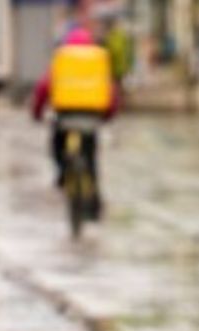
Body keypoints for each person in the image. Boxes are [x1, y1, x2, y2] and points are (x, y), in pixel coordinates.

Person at [31, 26, 118, 215]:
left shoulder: (63, 59)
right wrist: (107, 115)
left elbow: (43, 88)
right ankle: (93, 205)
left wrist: (37, 113)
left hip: (64, 116)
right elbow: (110, 91)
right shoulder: (97, 60)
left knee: (57, 145)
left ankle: (63, 175)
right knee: (91, 157)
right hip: (91, 118)